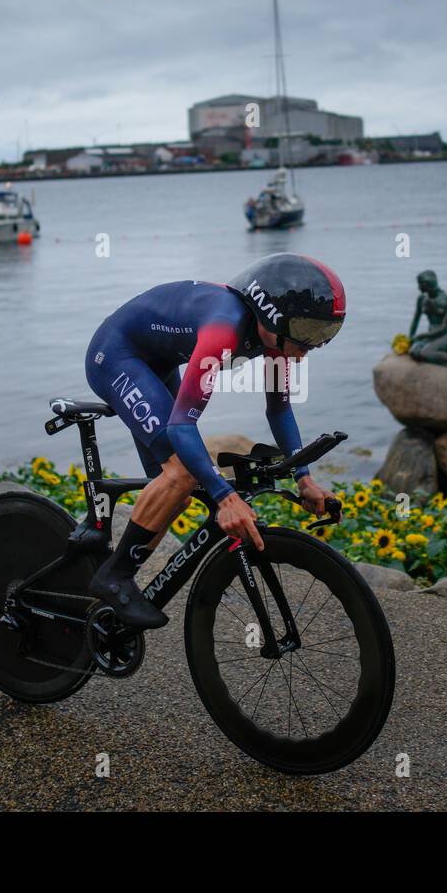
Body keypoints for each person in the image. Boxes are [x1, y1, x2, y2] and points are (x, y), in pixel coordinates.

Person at [82, 252, 344, 628]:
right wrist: (225, 498)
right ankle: (113, 578)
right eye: (306, 335)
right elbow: (182, 428)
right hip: (116, 354)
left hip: (157, 364)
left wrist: (305, 479)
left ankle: (106, 570)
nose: (306, 351)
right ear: (272, 314)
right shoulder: (224, 331)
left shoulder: (278, 341)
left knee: (178, 488)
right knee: (181, 475)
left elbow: (279, 411)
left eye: (321, 338)